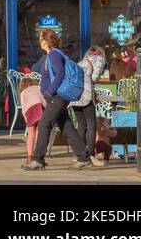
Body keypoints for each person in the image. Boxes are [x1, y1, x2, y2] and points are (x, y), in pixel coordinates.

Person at [23, 29, 93, 171]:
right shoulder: (51, 54)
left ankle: (38, 159)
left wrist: (49, 92)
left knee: (44, 124)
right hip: (56, 96)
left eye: (41, 39)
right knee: (66, 127)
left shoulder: (54, 54)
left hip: (57, 96)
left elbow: (60, 74)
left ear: (46, 41)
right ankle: (83, 157)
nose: (39, 42)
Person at [75, 46, 108, 168]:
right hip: (86, 95)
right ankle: (90, 155)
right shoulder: (100, 59)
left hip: (75, 96)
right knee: (91, 124)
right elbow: (93, 78)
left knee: (81, 124)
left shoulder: (81, 62)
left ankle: (81, 155)